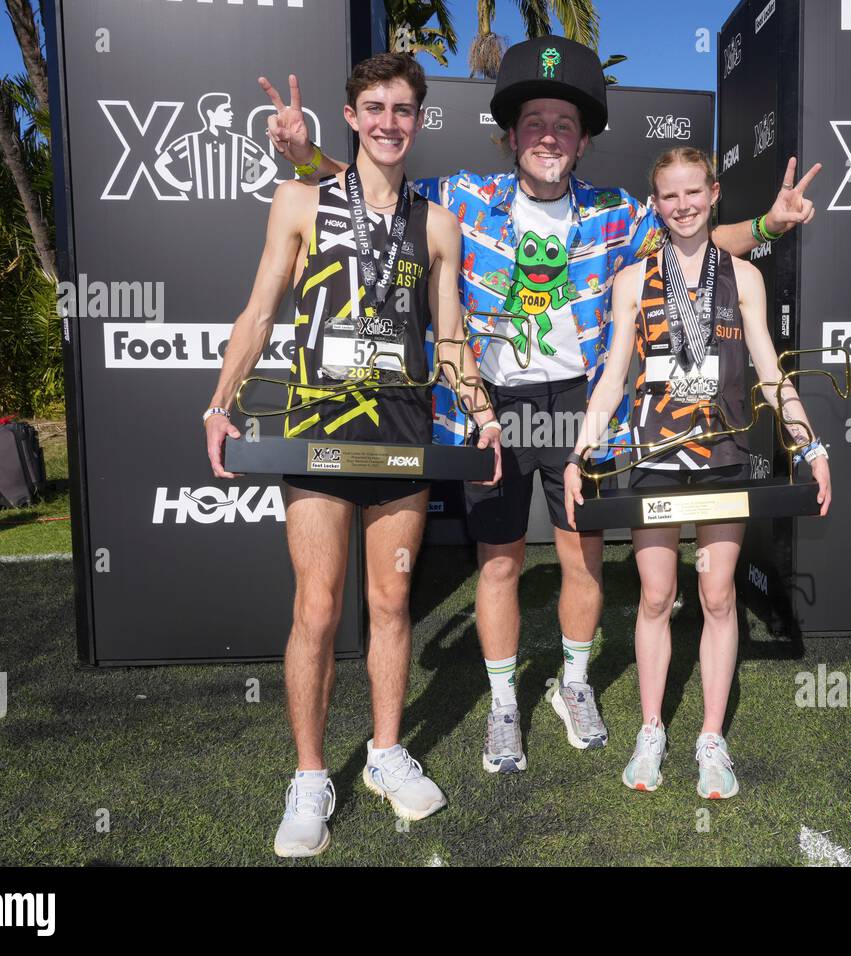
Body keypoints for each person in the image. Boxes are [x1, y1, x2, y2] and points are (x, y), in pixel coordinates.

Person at [260, 37, 823, 774]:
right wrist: (303, 157)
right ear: (511, 135)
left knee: (580, 556)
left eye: (563, 123)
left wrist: (774, 224)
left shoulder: (618, 213)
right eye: (534, 123)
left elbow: (699, 239)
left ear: (584, 139)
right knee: (498, 562)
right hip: (492, 403)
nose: (548, 135)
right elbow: (365, 190)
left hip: (582, 404)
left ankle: (576, 684)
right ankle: (503, 704)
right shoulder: (463, 198)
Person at [203, 54, 502, 857]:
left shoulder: (437, 223)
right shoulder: (299, 199)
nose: (389, 122)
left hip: (403, 438)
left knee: (393, 603)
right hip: (316, 430)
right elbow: (260, 310)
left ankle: (384, 752)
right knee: (317, 606)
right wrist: (220, 401)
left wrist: (479, 411)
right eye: (374, 107)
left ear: (419, 118)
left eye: (403, 108)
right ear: (350, 116)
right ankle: (308, 777)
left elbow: (449, 339)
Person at [563, 147, 832, 798]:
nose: (681, 205)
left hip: (722, 459)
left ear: (713, 194)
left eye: (692, 193)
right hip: (654, 459)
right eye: (668, 196)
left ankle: (710, 737)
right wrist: (578, 455)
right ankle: (651, 728)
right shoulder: (633, 280)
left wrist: (813, 447)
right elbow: (612, 379)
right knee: (656, 596)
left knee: (716, 596)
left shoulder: (742, 277)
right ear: (654, 204)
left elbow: (770, 371)